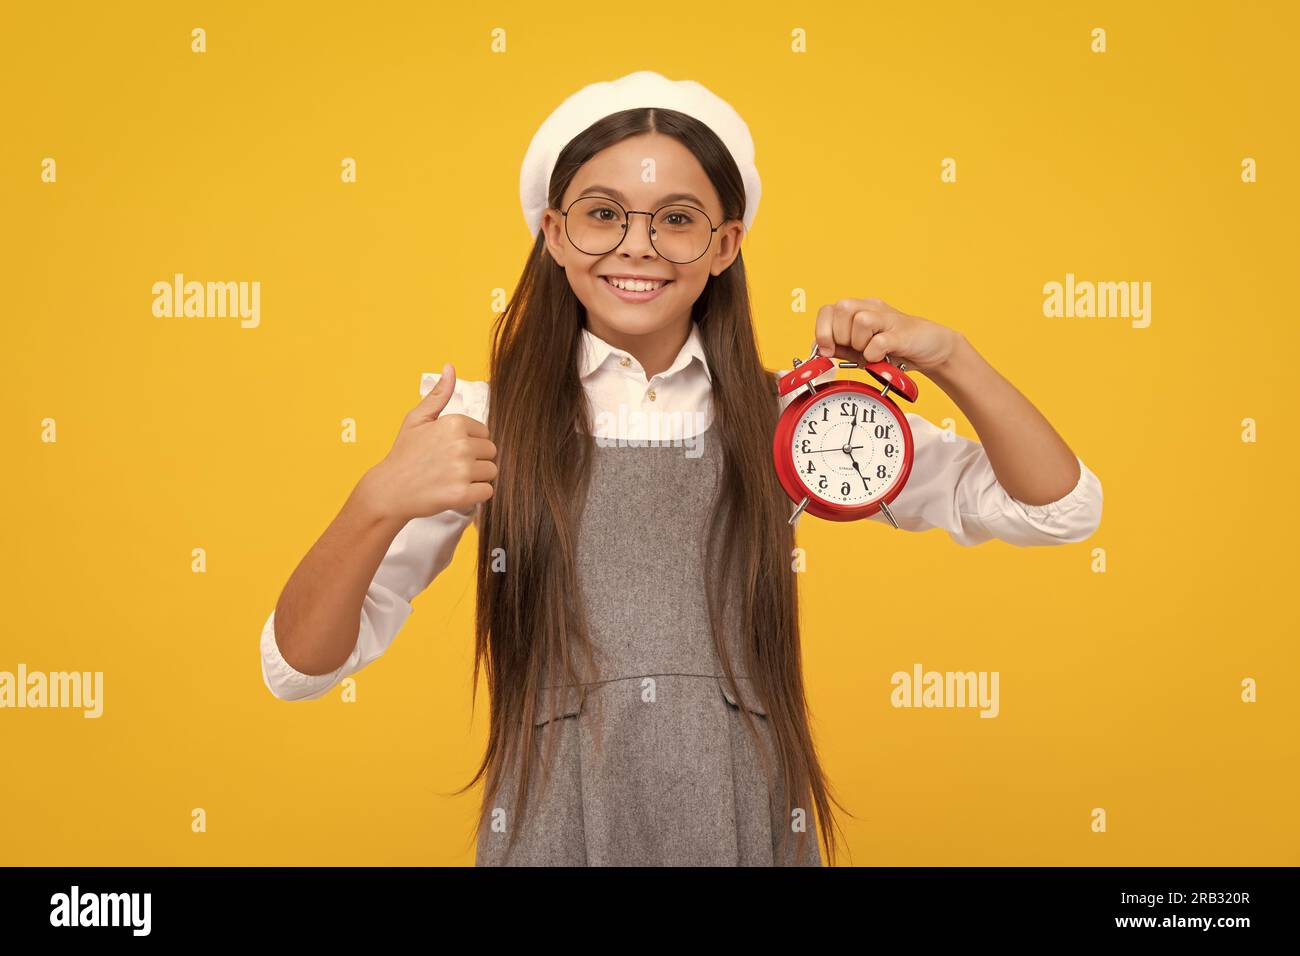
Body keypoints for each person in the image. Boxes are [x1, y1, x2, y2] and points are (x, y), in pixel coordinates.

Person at [259, 70, 1103, 866]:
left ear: (724, 243)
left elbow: (1057, 509)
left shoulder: (796, 423)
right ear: (553, 233)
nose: (639, 247)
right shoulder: (480, 423)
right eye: (602, 214)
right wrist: (375, 502)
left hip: (745, 817)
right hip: (557, 823)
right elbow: (297, 667)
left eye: (676, 218)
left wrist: (952, 356)